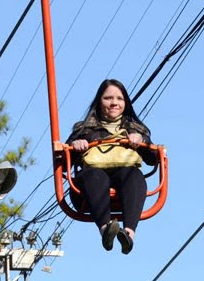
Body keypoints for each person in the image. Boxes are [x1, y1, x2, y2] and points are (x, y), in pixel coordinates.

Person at [65, 78, 157, 254]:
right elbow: (63, 159)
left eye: (119, 99)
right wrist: (76, 146)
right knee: (95, 176)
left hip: (124, 176)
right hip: (91, 182)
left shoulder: (135, 128)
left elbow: (153, 158)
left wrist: (142, 141)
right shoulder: (84, 129)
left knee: (134, 175)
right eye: (108, 98)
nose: (114, 103)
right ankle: (106, 229)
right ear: (99, 101)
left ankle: (128, 233)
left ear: (125, 103)